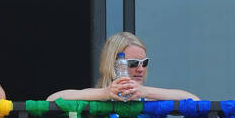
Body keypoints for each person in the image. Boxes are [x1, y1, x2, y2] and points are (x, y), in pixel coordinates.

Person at [47, 32, 198, 102]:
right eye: (132, 63)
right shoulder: (97, 96)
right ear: (113, 64)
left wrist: (145, 92)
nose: (140, 69)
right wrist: (105, 94)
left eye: (144, 63)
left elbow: (194, 100)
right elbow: (52, 100)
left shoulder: (149, 97)